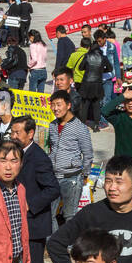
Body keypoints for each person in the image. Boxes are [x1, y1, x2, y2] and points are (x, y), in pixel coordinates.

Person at [10, 115, 60, 263]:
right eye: (12, 132)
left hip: (35, 222)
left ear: (30, 134)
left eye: (17, 132)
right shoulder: (18, 153)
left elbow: (53, 188)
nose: (13, 136)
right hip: (20, 221)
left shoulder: (38, 158)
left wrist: (30, 205)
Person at [45, 90, 92, 228]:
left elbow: (88, 154)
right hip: (53, 177)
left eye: (58, 105)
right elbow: (52, 148)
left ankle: (69, 247)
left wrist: (84, 175)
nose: (55, 108)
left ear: (68, 105)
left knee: (69, 216)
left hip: (71, 178)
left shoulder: (80, 127)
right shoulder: (52, 125)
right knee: (50, 214)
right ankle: (53, 245)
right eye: (52, 105)